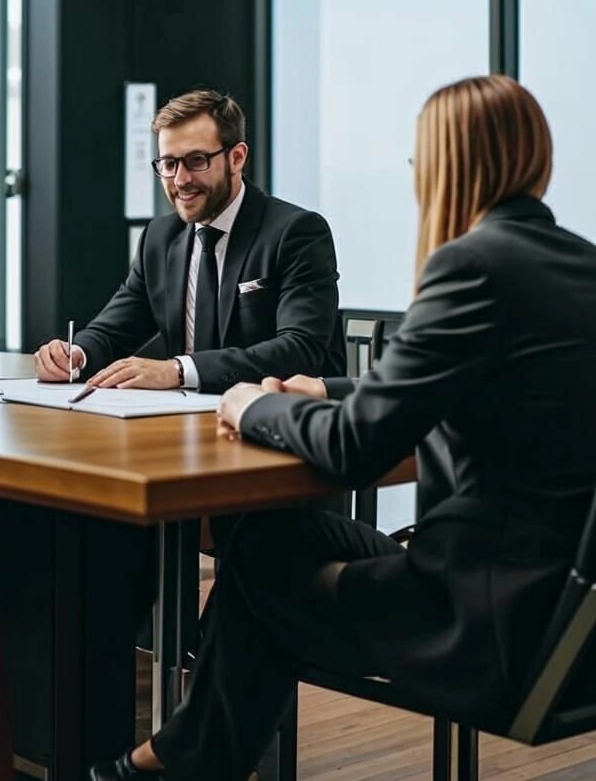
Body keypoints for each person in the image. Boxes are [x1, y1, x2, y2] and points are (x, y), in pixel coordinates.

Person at [90, 73, 596, 780]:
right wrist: (325, 385)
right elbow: (468, 379)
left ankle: (170, 761)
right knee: (267, 537)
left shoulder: (471, 266)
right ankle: (180, 757)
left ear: (446, 165)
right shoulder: (579, 266)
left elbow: (358, 446)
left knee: (258, 580)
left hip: (483, 617)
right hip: (569, 611)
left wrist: (254, 405)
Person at [35, 89, 345, 394]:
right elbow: (112, 331)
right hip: (183, 422)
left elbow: (300, 350)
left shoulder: (297, 232)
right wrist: (77, 355)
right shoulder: (159, 239)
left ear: (236, 158)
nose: (181, 179)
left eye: (196, 160)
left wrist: (178, 370)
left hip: (280, 423)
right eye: (169, 164)